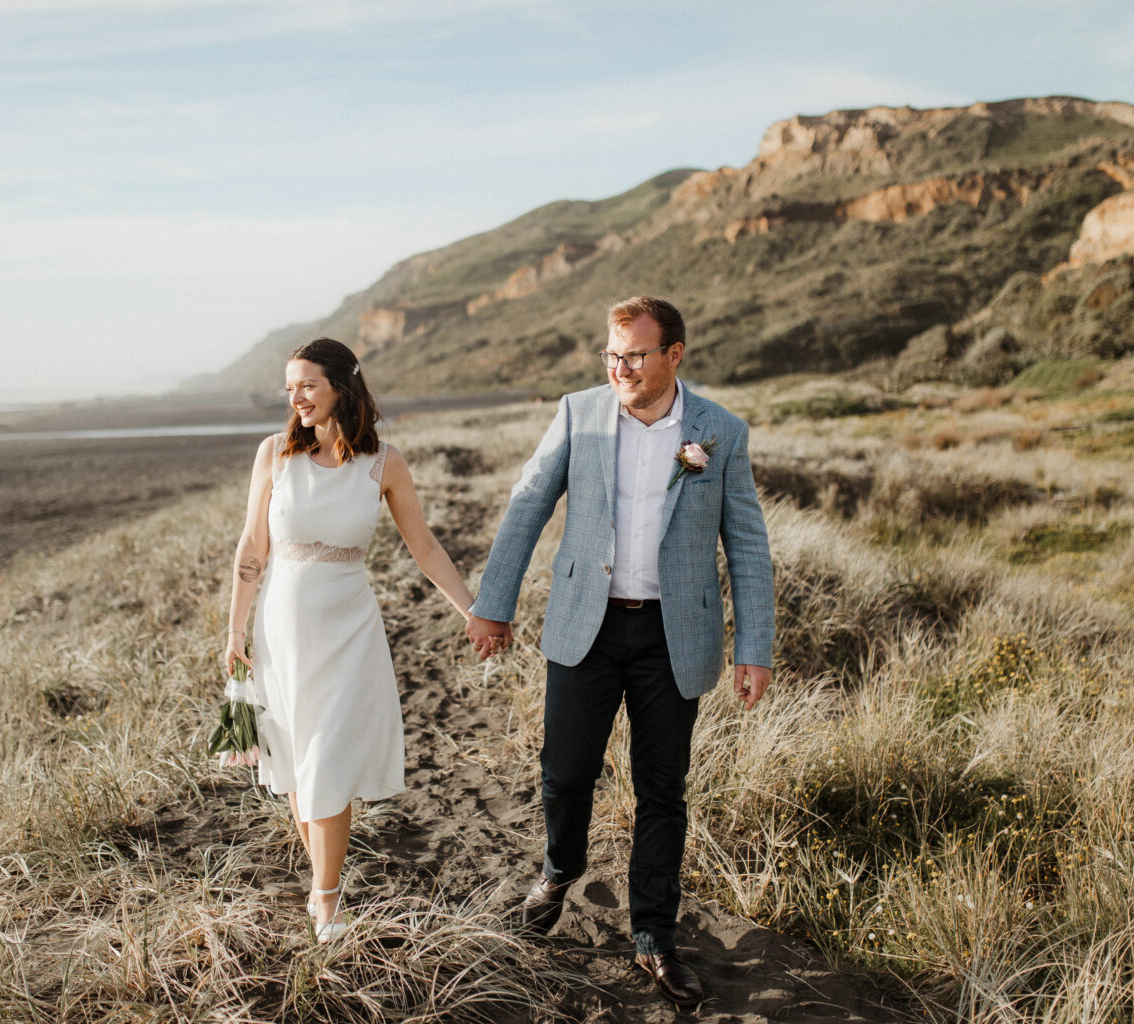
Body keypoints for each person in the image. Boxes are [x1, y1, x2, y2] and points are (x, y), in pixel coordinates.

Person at [465, 296, 774, 1008]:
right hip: (587, 626)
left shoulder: (719, 432)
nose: (620, 367)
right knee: (565, 774)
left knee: (662, 791)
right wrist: (494, 604)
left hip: (676, 636)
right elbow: (526, 506)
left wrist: (755, 647)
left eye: (635, 354)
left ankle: (655, 939)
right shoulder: (578, 415)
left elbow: (749, 544)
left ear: (675, 355)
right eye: (612, 353)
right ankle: (559, 867)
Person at [224, 337, 480, 942]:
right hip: (282, 628)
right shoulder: (274, 455)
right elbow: (252, 548)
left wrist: (473, 610)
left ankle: (327, 905)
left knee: (329, 758)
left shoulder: (383, 463)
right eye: (290, 387)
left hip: (349, 630)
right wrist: (234, 631)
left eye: (307, 384)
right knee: (294, 761)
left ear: (341, 384)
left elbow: (424, 546)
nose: (296, 397)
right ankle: (323, 892)